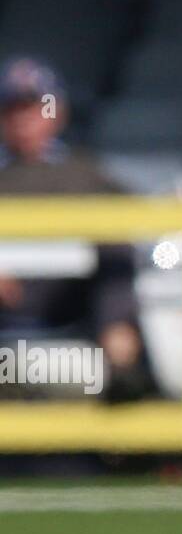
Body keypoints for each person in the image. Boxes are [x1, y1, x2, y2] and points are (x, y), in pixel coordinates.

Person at [0, 57, 156, 400]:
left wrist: (117, 323)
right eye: (12, 109)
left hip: (73, 328)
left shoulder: (86, 176)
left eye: (34, 106)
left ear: (58, 112)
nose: (23, 118)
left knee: (113, 242)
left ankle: (122, 360)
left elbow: (133, 234)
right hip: (6, 332)